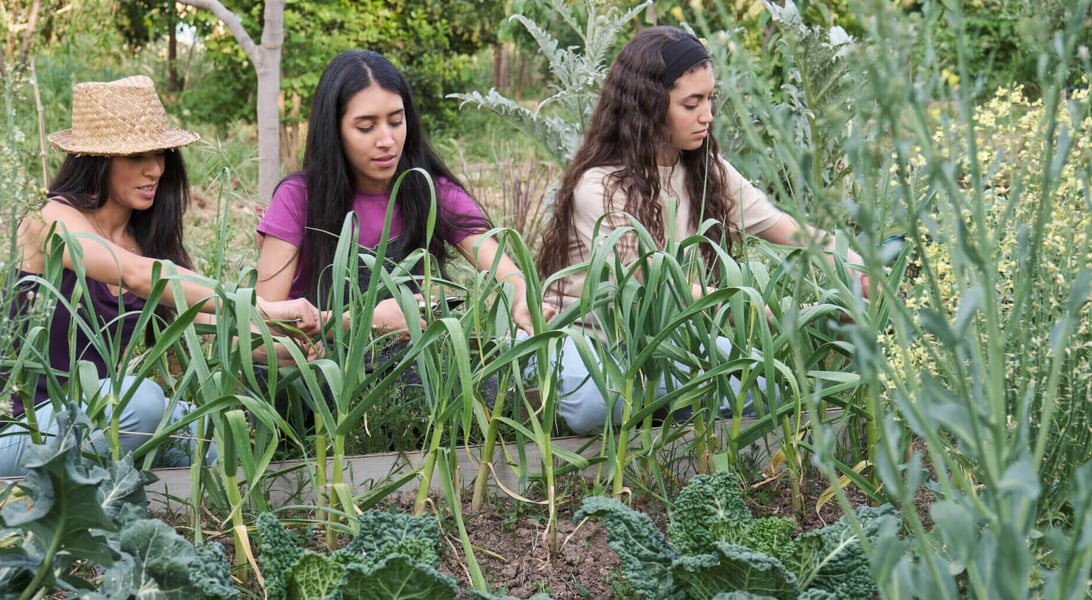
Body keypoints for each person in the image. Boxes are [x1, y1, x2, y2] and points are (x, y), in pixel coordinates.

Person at [536, 26, 869, 434]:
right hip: (592, 341)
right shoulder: (600, 187)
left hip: (667, 342)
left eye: (710, 100)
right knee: (595, 406)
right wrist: (758, 311)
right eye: (691, 103)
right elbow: (657, 287)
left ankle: (664, 398)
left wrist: (849, 259)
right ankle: (662, 395)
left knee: (775, 387)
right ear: (649, 106)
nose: (707, 115)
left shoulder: (705, 170)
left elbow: (785, 228)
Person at [1, 75, 322, 476]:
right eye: (137, 157)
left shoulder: (148, 242)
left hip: (101, 422)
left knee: (227, 431)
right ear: (97, 160)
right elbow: (137, 276)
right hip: (23, 430)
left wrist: (287, 347)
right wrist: (260, 304)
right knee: (145, 404)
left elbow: (221, 327)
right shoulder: (46, 219)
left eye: (161, 155)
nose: (154, 170)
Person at [256, 49, 553, 338]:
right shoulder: (297, 199)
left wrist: (523, 298)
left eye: (396, 122)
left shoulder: (428, 191)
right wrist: (362, 321)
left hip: (403, 369)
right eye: (366, 127)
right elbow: (261, 324)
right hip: (314, 374)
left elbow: (508, 273)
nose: (387, 140)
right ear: (334, 131)